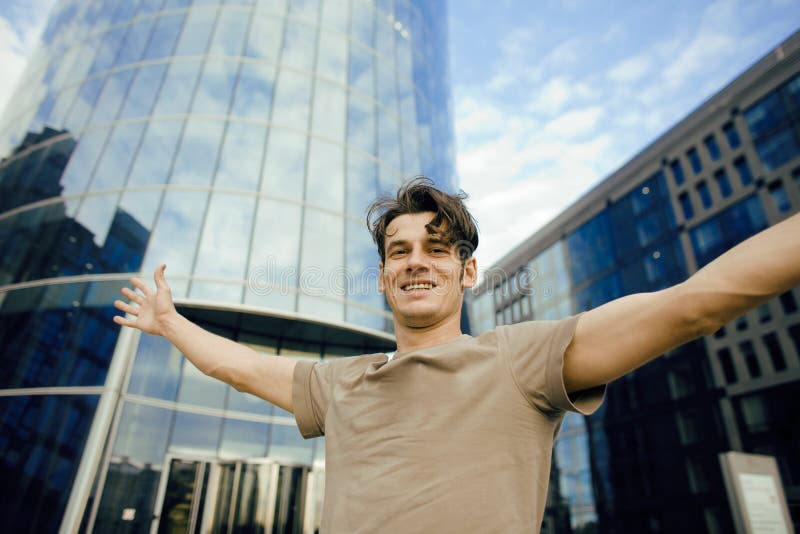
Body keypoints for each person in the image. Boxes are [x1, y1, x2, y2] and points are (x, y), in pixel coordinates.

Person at [114, 177, 800, 533]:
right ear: (382, 276)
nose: (417, 263)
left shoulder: (522, 361)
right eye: (399, 251)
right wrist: (171, 324)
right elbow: (236, 365)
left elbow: (696, 303)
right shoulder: (339, 384)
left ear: (468, 273)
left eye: (438, 248)